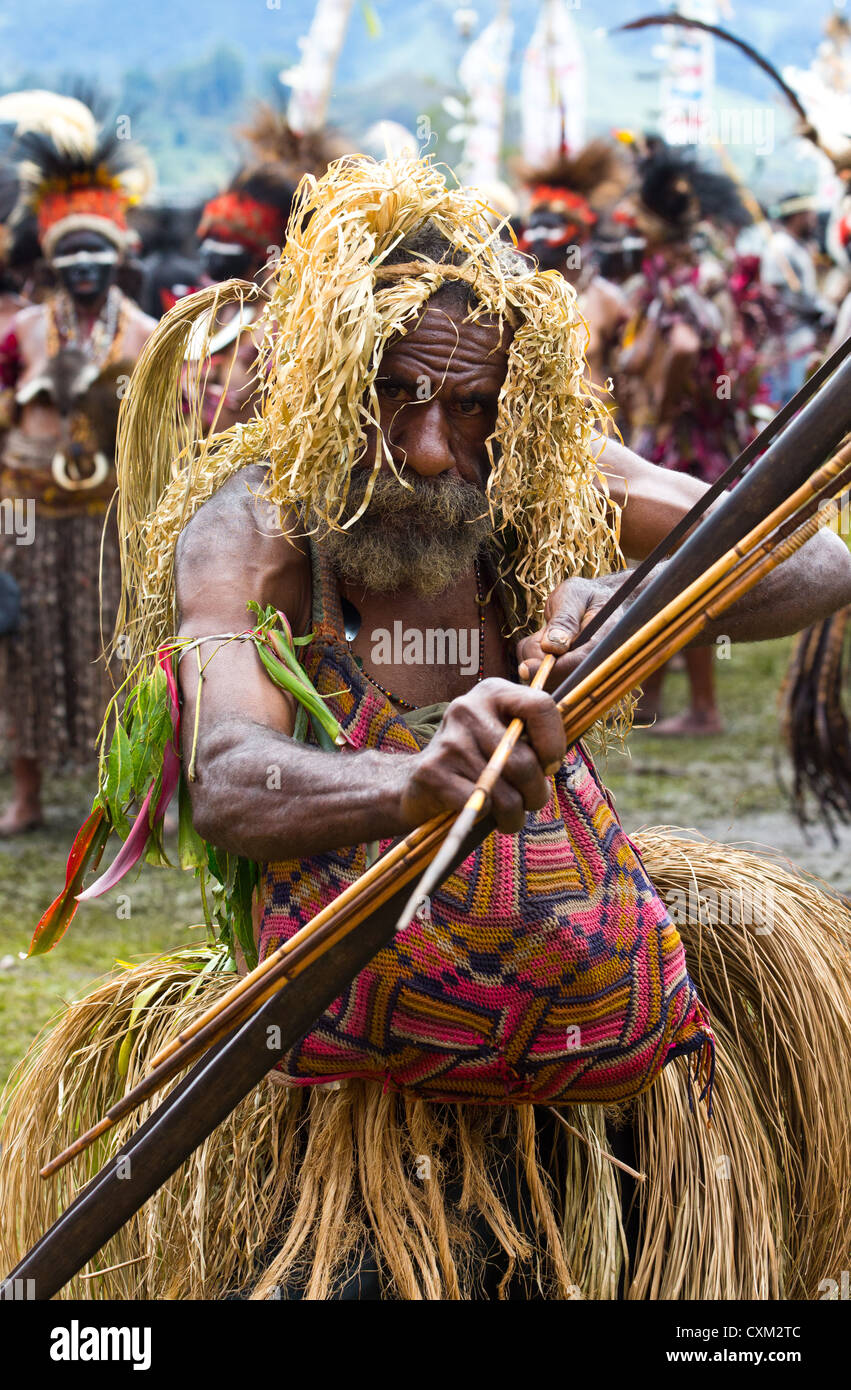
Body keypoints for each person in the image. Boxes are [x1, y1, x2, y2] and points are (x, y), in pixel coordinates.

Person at [3, 157, 851, 1301]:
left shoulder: (538, 474)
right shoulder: (253, 530)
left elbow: (813, 558)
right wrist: (404, 787)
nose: (431, 448)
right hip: (359, 1081)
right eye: (393, 396)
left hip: (579, 1074)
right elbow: (232, 777)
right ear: (326, 383)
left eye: (466, 405)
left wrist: (624, 608)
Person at [0, 110, 156, 835]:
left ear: (118, 257)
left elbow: (166, 430)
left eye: (97, 252)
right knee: (25, 651)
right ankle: (26, 796)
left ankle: (119, 793)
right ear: (54, 261)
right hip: (28, 517)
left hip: (110, 519)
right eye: (72, 255)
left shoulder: (150, 336)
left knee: (116, 649)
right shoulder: (23, 333)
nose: (85, 267)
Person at [617, 146, 763, 735]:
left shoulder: (679, 279)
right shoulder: (698, 269)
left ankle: (703, 709)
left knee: (687, 566)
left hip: (689, 439)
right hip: (709, 433)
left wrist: (659, 397)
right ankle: (651, 696)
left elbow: (681, 347)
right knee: (669, 560)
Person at [518, 141, 629, 391]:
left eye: (550, 226)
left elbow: (627, 375)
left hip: (595, 424)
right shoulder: (518, 297)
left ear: (579, 232)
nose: (539, 236)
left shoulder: (607, 301)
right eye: (534, 226)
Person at [760, 194, 835, 405]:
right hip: (790, 340)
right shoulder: (780, 246)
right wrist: (817, 309)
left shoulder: (798, 246)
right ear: (797, 216)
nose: (813, 218)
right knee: (791, 402)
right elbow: (773, 296)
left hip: (806, 336)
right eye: (808, 213)